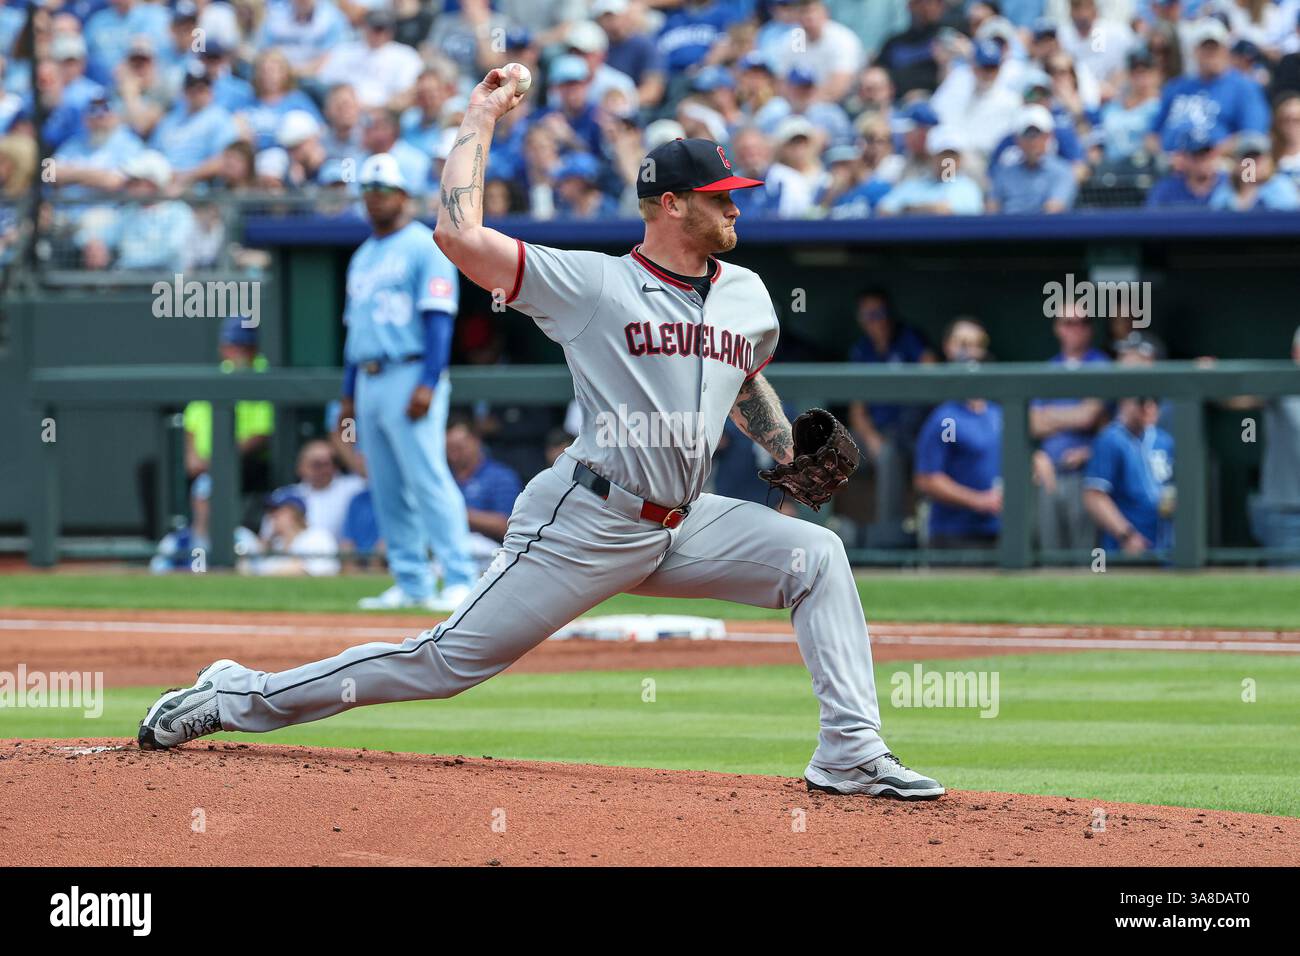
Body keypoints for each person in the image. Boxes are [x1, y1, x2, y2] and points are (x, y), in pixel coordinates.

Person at [138, 66, 945, 803]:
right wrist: (481, 114)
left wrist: (782, 449)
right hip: (588, 517)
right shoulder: (594, 284)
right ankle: (233, 695)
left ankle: (848, 749)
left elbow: (741, 378)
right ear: (672, 204)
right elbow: (458, 237)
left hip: (683, 521)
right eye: (721, 194)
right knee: (445, 663)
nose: (737, 205)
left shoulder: (749, 297)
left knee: (817, 557)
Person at [339, 153, 476, 612]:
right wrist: (346, 396)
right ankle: (411, 580)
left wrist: (429, 381)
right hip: (370, 374)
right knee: (386, 483)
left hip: (410, 368)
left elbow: (439, 319)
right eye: (368, 191)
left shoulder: (424, 245)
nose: (374, 199)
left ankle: (459, 576)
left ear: (402, 196)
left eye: (383, 191)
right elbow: (354, 332)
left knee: (428, 478)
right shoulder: (361, 256)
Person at [844, 289, 936, 537]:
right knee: (833, 446)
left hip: (911, 432)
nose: (877, 320)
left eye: (881, 313)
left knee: (888, 454)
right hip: (876, 433)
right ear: (861, 319)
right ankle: (837, 531)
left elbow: (933, 373)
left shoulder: (908, 338)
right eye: (869, 315)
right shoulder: (862, 351)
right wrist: (871, 438)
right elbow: (857, 410)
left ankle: (888, 535)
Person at [914, 319, 1003, 550]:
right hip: (954, 534)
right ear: (949, 348)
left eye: (977, 344)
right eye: (964, 344)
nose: (972, 351)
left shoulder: (997, 412)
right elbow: (927, 479)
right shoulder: (945, 417)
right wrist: (979, 500)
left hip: (997, 531)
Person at [1030, 305, 1109, 553]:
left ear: (1090, 328)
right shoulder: (1048, 368)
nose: (1074, 329)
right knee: (1051, 552)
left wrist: (1049, 415)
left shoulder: (1101, 365)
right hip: (1049, 473)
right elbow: (1033, 424)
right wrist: (1072, 415)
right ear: (1057, 327)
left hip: (1086, 472)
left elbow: (1088, 415)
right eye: (1067, 322)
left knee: (1086, 555)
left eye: (1081, 322)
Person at [1083, 396, 1175, 557]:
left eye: (1155, 401)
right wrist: (1126, 535)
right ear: (1125, 403)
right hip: (1125, 545)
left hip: (1163, 540)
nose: (1149, 407)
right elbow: (1094, 495)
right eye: (1142, 401)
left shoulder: (1164, 440)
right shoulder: (1110, 439)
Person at [445, 416, 523, 574]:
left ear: (475, 441)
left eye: (459, 448)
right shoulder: (442, 478)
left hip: (490, 553)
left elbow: (508, 526)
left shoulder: (500, 476)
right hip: (445, 552)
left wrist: (455, 513)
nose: (454, 455)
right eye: (449, 449)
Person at [987, 105, 1078, 213]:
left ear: (1049, 136)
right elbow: (991, 210)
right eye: (1028, 135)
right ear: (1017, 139)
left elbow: (1053, 210)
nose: (1033, 142)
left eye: (1038, 135)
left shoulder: (1063, 172)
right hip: (1006, 229)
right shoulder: (1004, 173)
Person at [244, 488, 341, 577]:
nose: (271, 516)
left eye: (276, 511)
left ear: (293, 513)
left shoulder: (317, 537)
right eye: (270, 511)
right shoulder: (277, 544)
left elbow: (321, 571)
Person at [286, 439, 366, 542]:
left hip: (339, 556)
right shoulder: (285, 496)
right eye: (317, 464)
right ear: (301, 467)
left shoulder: (354, 487)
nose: (326, 469)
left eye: (331, 462)